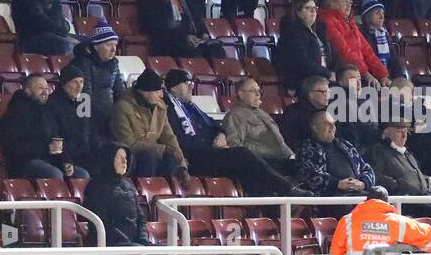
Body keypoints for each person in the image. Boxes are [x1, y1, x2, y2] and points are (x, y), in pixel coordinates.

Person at [164, 69, 308, 196]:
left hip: (211, 152)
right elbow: (178, 139)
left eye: (192, 84)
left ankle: (280, 203)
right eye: (186, 84)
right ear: (174, 88)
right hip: (196, 156)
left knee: (286, 164)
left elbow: (214, 125)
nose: (191, 88)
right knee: (242, 154)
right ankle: (286, 190)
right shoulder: (168, 109)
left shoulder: (191, 107)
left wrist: (221, 134)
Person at [328, 186, 431, 255]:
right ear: (387, 202)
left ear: (366, 200)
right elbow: (430, 239)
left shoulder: (348, 221)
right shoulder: (398, 222)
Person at [111, 67, 189, 180]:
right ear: (145, 91)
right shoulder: (122, 108)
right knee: (150, 157)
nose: (161, 95)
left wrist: (182, 166)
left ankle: (168, 193)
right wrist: (162, 149)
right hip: (129, 159)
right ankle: (147, 190)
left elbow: (169, 138)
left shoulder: (160, 108)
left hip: (153, 155)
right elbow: (128, 144)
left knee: (171, 160)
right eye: (157, 91)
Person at [0, 73, 77, 179]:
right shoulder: (16, 112)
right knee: (54, 175)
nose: (45, 92)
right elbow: (15, 146)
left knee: (82, 175)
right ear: (27, 91)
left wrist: (66, 161)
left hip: (50, 159)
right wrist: (46, 148)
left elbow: (58, 140)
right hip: (24, 163)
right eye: (40, 88)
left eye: (47, 88)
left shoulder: (49, 111)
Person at [223, 78, 299, 176]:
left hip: (286, 159)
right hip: (264, 164)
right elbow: (235, 148)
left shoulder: (264, 114)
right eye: (252, 91)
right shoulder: (235, 116)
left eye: (259, 91)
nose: (258, 94)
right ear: (240, 94)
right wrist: (263, 153)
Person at [367, 124, 431, 219]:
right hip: (402, 200)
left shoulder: (408, 153)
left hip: (422, 197)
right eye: (399, 132)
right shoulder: (379, 150)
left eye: (405, 132)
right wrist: (399, 185)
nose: (404, 135)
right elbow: (377, 176)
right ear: (387, 133)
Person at [296, 110, 376, 196]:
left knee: (380, 194)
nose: (332, 127)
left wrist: (363, 183)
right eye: (327, 124)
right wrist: (337, 184)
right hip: (332, 198)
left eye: (333, 124)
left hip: (358, 192)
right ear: (315, 128)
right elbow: (308, 176)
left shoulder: (346, 145)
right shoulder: (309, 148)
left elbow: (367, 168)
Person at [317, 0, 388, 85]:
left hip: (360, 73)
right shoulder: (328, 21)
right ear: (332, 3)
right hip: (346, 75)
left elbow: (366, 50)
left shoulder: (350, 21)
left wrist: (382, 75)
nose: (349, 6)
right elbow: (343, 51)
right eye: (344, 2)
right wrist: (366, 74)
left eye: (349, 2)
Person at [83, 144, 150, 246]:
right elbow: (102, 223)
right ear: (109, 160)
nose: (125, 161)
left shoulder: (129, 186)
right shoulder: (95, 188)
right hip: (110, 245)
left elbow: (140, 219)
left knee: (169, 251)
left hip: (134, 245)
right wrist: (129, 244)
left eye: (126, 158)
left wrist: (143, 241)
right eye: (119, 157)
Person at [70, 22, 126, 142]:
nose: (113, 49)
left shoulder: (114, 63)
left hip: (111, 117)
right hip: (90, 118)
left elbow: (120, 91)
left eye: (115, 45)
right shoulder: (83, 63)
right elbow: (84, 96)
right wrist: (107, 117)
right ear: (96, 46)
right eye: (108, 45)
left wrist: (124, 111)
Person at [45, 64, 94, 178]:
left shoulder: (83, 103)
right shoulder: (52, 104)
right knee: (83, 175)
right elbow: (54, 137)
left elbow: (90, 132)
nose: (79, 86)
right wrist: (66, 160)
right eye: (75, 82)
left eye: (81, 82)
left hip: (83, 155)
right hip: (63, 158)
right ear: (64, 83)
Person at [274, 0, 330, 92]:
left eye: (314, 8)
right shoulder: (293, 33)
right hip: (303, 82)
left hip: (320, 78)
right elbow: (302, 62)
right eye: (308, 8)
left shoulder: (317, 31)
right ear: (298, 11)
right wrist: (327, 73)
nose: (313, 11)